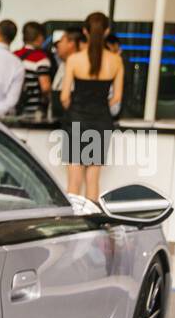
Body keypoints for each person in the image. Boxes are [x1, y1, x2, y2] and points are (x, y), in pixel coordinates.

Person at [60, 11, 124, 203]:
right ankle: (92, 224)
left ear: (85, 32)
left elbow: (64, 97)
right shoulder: (116, 60)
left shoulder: (74, 59)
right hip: (101, 120)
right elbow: (117, 97)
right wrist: (99, 106)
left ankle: (72, 224)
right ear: (106, 31)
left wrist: (76, 107)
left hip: (76, 120)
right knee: (93, 179)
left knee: (73, 181)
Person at [14, 21, 52, 119]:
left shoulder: (14, 56)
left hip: (14, 108)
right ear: (39, 37)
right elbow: (45, 87)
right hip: (33, 111)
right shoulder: (40, 58)